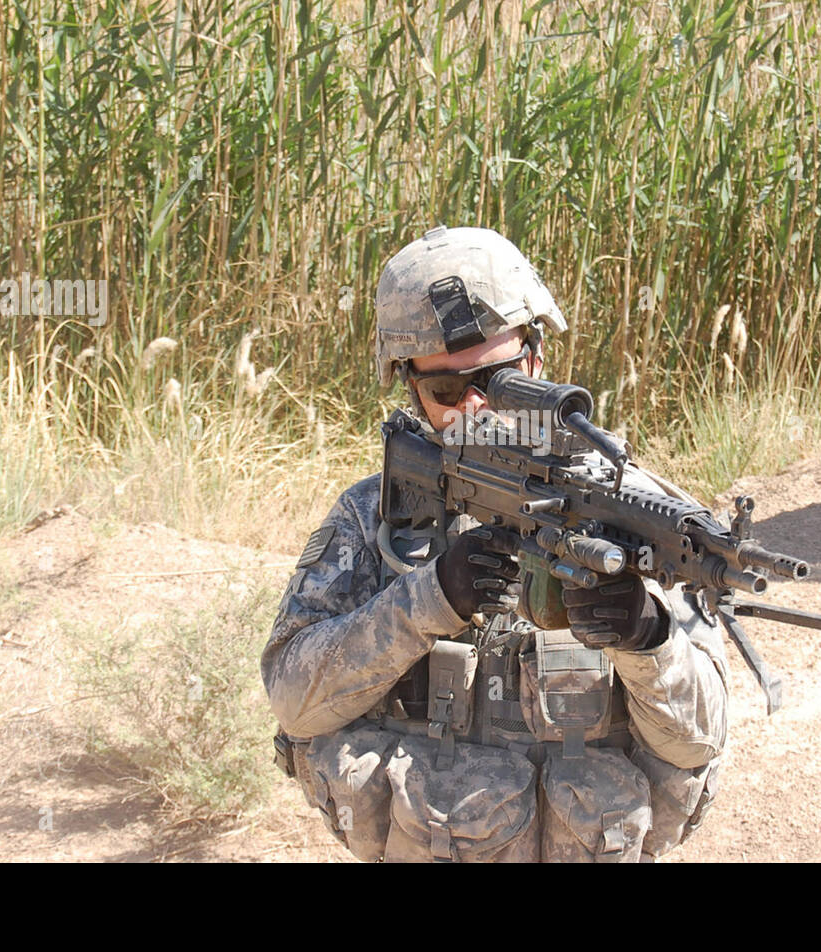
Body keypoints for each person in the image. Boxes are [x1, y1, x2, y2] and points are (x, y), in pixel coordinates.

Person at [261, 225, 729, 862]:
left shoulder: (632, 511)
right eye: (447, 392)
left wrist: (649, 639)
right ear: (409, 387)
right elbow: (294, 701)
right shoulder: (379, 514)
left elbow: (698, 743)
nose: (476, 406)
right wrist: (427, 600)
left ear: (536, 358)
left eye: (499, 378)